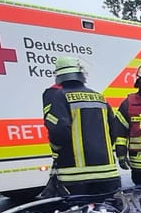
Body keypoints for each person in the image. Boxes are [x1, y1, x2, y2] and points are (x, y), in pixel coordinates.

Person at [42, 56, 121, 195]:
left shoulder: (59, 96)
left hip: (75, 175)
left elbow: (59, 130)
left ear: (58, 76)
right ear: (80, 74)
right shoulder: (100, 97)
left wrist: (57, 150)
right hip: (107, 173)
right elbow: (114, 130)